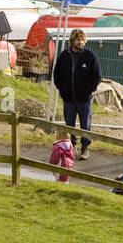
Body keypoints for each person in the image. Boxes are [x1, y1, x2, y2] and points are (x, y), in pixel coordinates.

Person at [52, 29, 101, 159]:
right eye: (78, 39)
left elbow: (97, 76)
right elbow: (57, 75)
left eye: (82, 40)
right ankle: (71, 147)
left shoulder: (90, 56)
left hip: (84, 99)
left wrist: (89, 90)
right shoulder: (64, 56)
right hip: (68, 99)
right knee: (69, 124)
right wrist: (62, 89)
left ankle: (85, 148)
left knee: (85, 124)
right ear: (72, 41)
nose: (80, 42)